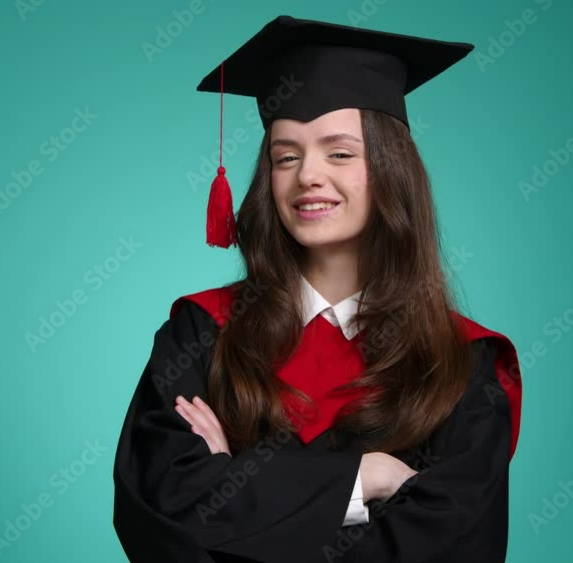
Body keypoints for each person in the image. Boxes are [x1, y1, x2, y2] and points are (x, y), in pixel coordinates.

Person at [112, 15, 523, 563]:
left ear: (390, 169)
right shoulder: (201, 334)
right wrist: (366, 478)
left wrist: (234, 483)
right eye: (286, 156)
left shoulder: (462, 365)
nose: (307, 175)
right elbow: (158, 510)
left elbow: (454, 547)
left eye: (340, 152)